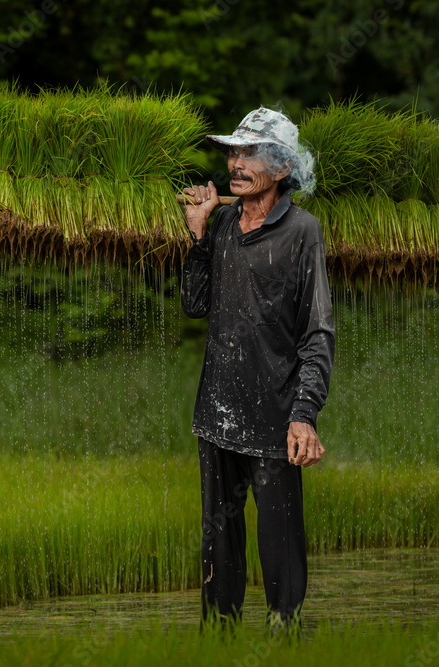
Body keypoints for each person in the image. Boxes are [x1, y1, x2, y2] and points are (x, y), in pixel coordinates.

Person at [179, 107, 336, 632]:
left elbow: (317, 332)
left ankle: (284, 635)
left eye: (250, 154)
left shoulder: (302, 232)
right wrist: (198, 236)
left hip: (275, 419)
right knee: (218, 543)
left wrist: (304, 414)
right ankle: (219, 637)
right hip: (217, 414)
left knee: (280, 542)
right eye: (233, 153)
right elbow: (194, 305)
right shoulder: (224, 222)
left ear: (283, 167)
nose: (235, 164)